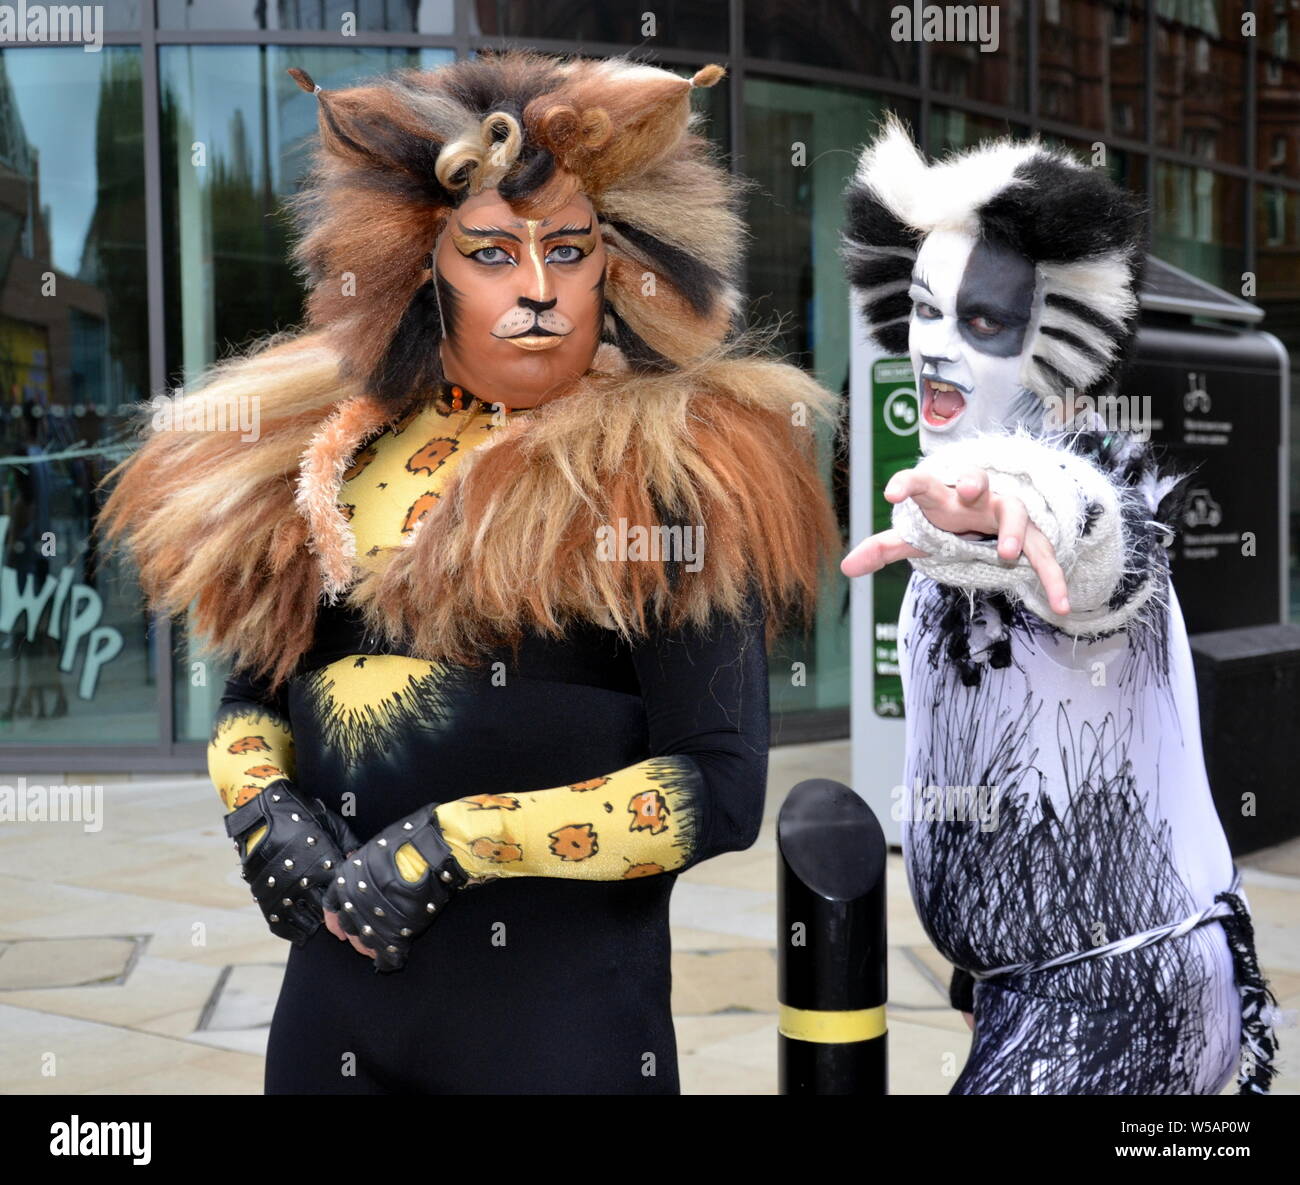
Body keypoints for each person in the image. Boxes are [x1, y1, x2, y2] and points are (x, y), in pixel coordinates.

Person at [100, 51, 838, 1095]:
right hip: (330, 1026)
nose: (537, 289)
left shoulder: (675, 472)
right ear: (421, 269)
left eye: (569, 251)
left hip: (561, 1041)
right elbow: (250, 698)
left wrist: (458, 842)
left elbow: (718, 789)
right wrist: (262, 806)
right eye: (492, 252)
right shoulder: (330, 456)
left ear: (617, 266)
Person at [839, 114, 1278, 1094]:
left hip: (1120, 1000)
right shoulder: (943, 515)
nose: (937, 349)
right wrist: (979, 959)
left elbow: (1097, 542)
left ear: (1062, 335)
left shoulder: (1078, 498)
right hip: (1040, 990)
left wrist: (1016, 504)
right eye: (923, 310)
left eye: (983, 320)